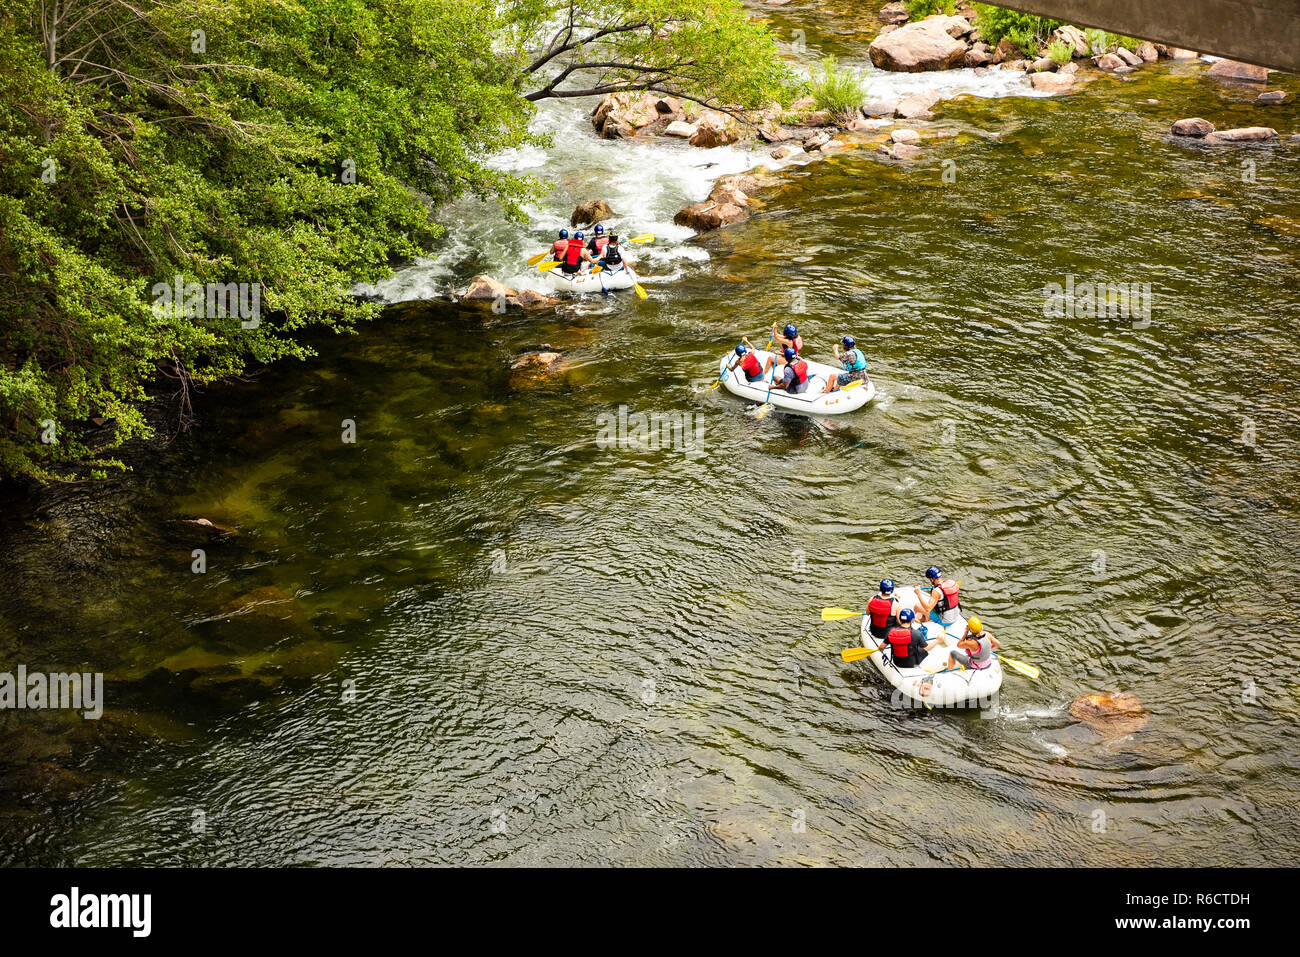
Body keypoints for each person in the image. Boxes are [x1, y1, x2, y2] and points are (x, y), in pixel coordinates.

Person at [865, 579, 898, 645]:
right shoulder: (895, 603)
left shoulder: (872, 599)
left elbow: (867, 613)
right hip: (888, 635)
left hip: (874, 632)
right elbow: (900, 622)